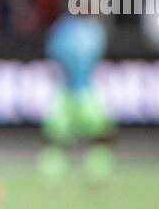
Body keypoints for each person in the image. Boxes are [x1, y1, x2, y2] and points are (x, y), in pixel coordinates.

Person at [40, 10, 114, 188]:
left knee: (100, 135)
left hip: (83, 90)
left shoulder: (93, 29)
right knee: (57, 139)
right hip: (69, 91)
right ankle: (52, 178)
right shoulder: (66, 28)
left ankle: (97, 175)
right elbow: (57, 55)